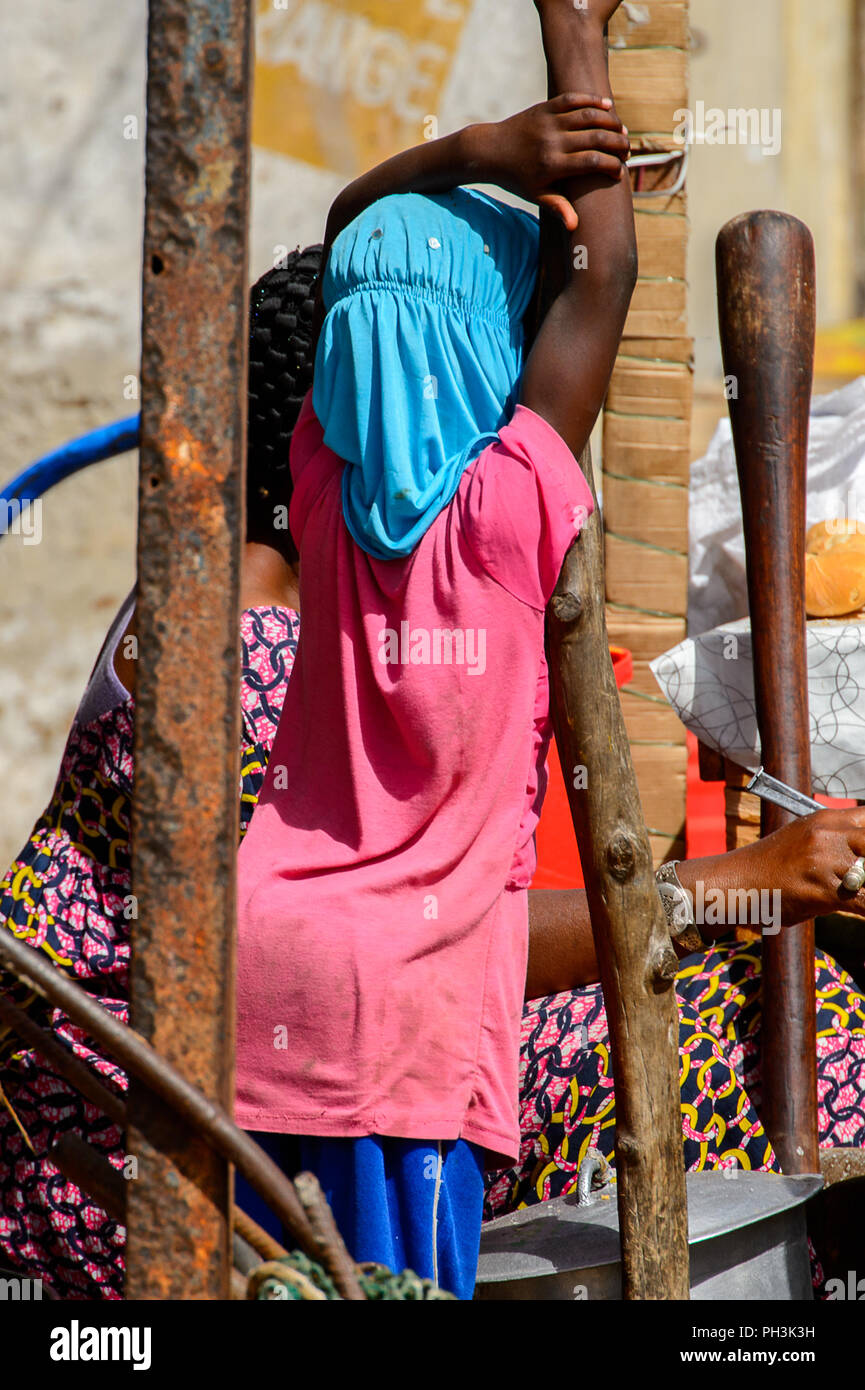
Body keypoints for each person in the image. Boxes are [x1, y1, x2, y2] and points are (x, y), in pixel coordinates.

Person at [231, 0, 643, 1303]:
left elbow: (356, 232)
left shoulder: (318, 488)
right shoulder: (507, 510)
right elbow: (608, 272)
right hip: (408, 1008)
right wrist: (573, 36)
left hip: (261, 964)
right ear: (486, 342)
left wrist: (477, 144)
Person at [0, 247, 321, 1299]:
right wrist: (707, 896)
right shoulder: (252, 664)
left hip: (57, 1120)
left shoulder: (192, 586)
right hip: (113, 1179)